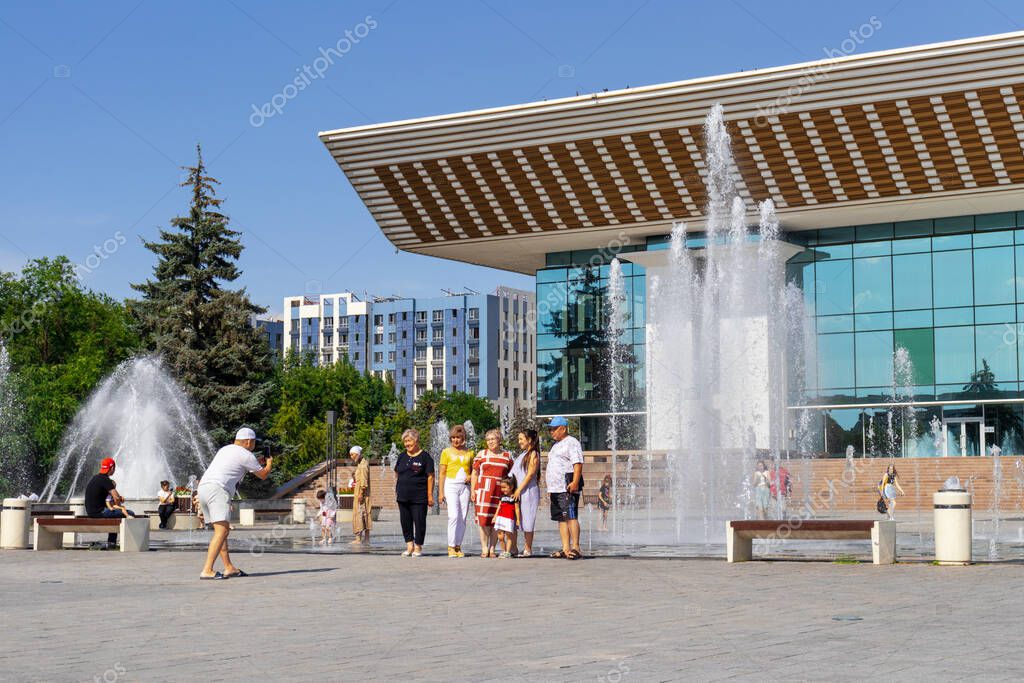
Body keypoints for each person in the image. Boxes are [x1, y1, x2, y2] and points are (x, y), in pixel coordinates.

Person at [197, 427, 272, 580]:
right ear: (248, 441)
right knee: (222, 532)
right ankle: (207, 570)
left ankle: (229, 567)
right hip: (218, 490)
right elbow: (263, 475)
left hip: (204, 489)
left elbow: (235, 466)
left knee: (221, 531)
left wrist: (256, 463)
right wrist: (269, 463)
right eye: (254, 443)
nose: (254, 446)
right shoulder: (246, 454)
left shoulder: (225, 449)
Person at [471, 428, 514, 558]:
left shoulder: (507, 456)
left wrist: (511, 491)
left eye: (493, 439)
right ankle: (484, 547)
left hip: (500, 492)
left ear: (499, 440)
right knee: (483, 520)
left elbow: (511, 475)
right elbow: (474, 473)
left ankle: (492, 547)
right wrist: (473, 490)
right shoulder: (482, 454)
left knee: (497, 521)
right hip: (483, 490)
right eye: (488, 439)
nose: (490, 442)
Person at [545, 416, 584, 560]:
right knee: (561, 519)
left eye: (554, 429)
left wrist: (575, 482)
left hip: (566, 487)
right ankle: (566, 548)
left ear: (563, 428)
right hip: (555, 489)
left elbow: (578, 463)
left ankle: (576, 547)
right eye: (550, 429)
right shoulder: (556, 445)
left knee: (571, 517)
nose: (551, 432)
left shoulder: (572, 443)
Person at [394, 428, 434, 557]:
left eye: (409, 440)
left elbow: (430, 476)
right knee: (405, 521)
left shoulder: (425, 457)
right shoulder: (402, 456)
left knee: (419, 521)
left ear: (416, 441)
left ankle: (418, 546)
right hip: (403, 495)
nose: (407, 444)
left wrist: (429, 495)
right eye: (405, 441)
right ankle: (409, 545)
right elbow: (397, 472)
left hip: (419, 496)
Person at [438, 424, 474, 557]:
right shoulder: (446, 452)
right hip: (451, 485)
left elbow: (473, 471)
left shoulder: (470, 452)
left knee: (463, 517)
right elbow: (442, 473)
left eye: (458, 437)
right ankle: (451, 546)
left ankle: (458, 546)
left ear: (463, 437)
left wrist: (470, 476)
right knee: (453, 516)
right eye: (453, 438)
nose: (455, 440)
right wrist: (441, 493)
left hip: (465, 487)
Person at [509, 429, 541, 556]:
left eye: (521, 439)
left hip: (528, 491)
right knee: (516, 520)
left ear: (529, 440)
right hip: (518, 491)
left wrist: (518, 490)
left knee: (528, 519)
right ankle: (514, 548)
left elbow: (530, 474)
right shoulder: (522, 454)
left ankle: (528, 548)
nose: (519, 441)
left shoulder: (533, 454)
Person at [84, 457, 126, 547]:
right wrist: (119, 505)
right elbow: (116, 497)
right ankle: (118, 542)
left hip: (90, 512)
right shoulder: (105, 479)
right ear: (112, 468)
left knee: (115, 515)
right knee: (128, 513)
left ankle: (112, 542)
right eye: (114, 468)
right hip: (100, 512)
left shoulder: (95, 478)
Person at [493, 477, 521, 559]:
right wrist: (495, 516)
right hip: (500, 518)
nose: (503, 489)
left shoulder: (514, 498)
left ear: (511, 487)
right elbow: (499, 507)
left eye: (504, 487)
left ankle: (508, 552)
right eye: (501, 487)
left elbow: (517, 509)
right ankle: (503, 551)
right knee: (500, 537)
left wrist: (518, 519)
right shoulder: (502, 497)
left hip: (509, 519)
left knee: (509, 536)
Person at [350, 445, 372, 545]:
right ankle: (366, 539)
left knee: (360, 514)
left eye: (353, 454)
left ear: (358, 454)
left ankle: (359, 539)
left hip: (361, 494)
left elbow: (364, 482)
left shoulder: (363, 465)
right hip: (361, 493)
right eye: (350, 455)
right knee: (364, 514)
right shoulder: (361, 464)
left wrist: (361, 494)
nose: (351, 456)